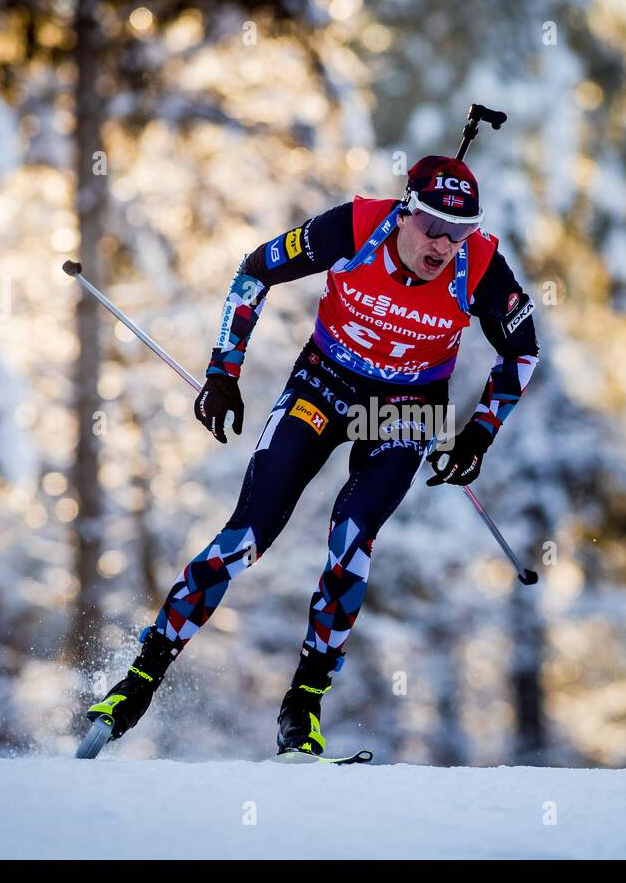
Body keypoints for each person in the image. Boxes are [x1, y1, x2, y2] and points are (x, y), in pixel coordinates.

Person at [87, 154, 541, 756]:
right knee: (245, 535)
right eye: (432, 226)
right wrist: (224, 372)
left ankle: (303, 706)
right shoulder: (355, 227)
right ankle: (139, 680)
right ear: (405, 211)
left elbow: (523, 352)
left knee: (350, 542)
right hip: (323, 385)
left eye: (459, 232)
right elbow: (254, 271)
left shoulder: (480, 266)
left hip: (406, 406)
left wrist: (480, 430)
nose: (443, 244)